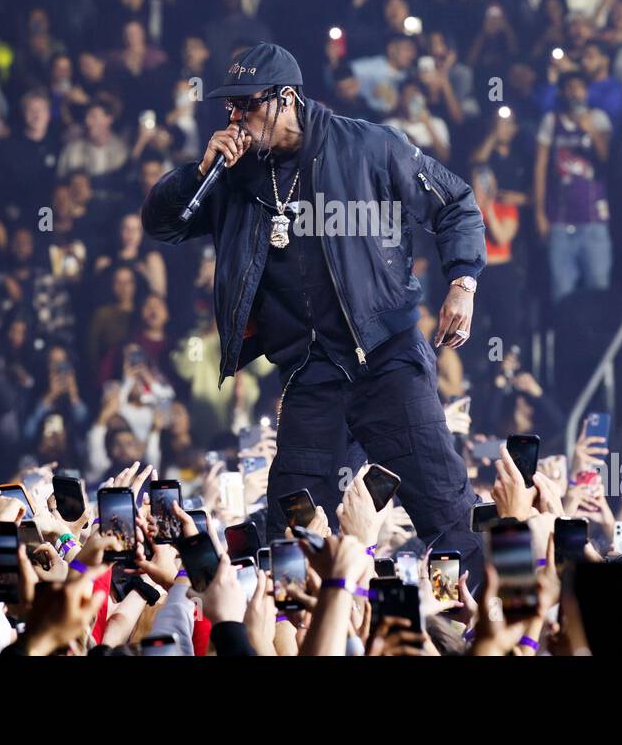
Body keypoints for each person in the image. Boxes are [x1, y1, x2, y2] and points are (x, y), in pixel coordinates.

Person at [142, 43, 486, 583]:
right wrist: (199, 170)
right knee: (294, 520)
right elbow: (162, 223)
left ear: (286, 99)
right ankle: (299, 631)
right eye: (228, 108)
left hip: (385, 358)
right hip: (309, 371)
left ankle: (480, 625)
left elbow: (456, 202)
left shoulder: (367, 146)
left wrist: (462, 283)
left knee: (444, 508)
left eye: (246, 105)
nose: (235, 118)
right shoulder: (232, 175)